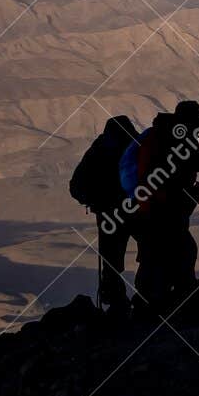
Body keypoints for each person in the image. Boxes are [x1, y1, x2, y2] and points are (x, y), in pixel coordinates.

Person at [130, 100, 199, 313]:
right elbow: (193, 162)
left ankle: (152, 302)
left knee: (158, 253)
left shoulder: (162, 133)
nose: (197, 130)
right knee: (181, 251)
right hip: (165, 209)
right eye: (196, 124)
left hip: (151, 207)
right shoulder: (176, 137)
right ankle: (172, 303)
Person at [68, 114, 137, 318]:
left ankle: (117, 303)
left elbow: (76, 186)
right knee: (147, 251)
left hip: (109, 215)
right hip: (134, 209)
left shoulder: (99, 150)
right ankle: (147, 297)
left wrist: (94, 201)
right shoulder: (134, 146)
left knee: (111, 260)